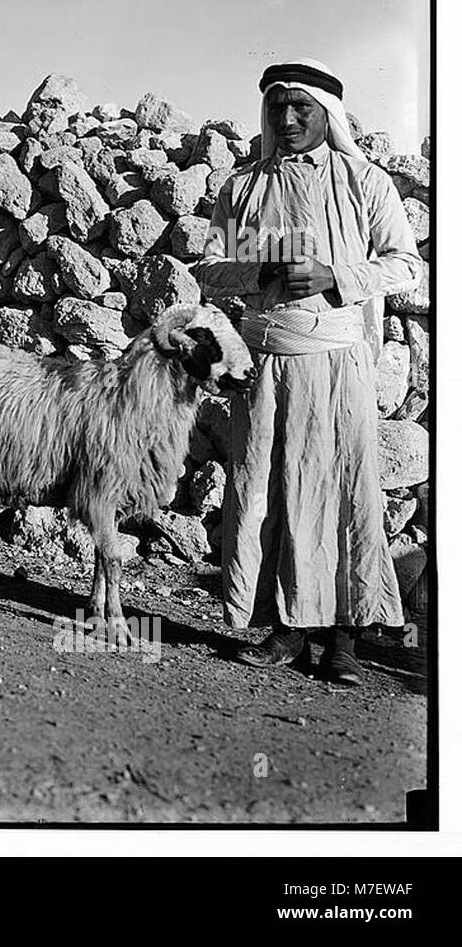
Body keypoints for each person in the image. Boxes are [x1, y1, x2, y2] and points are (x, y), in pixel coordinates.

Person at [194, 58, 422, 687]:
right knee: (269, 489)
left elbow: (407, 266)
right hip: (265, 359)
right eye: (277, 108)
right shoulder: (241, 188)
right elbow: (210, 267)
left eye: (303, 108)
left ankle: (344, 638)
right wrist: (258, 275)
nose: (288, 119)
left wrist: (336, 277)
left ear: (329, 115)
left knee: (342, 487)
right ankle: (286, 629)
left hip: (338, 362)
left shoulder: (364, 183)